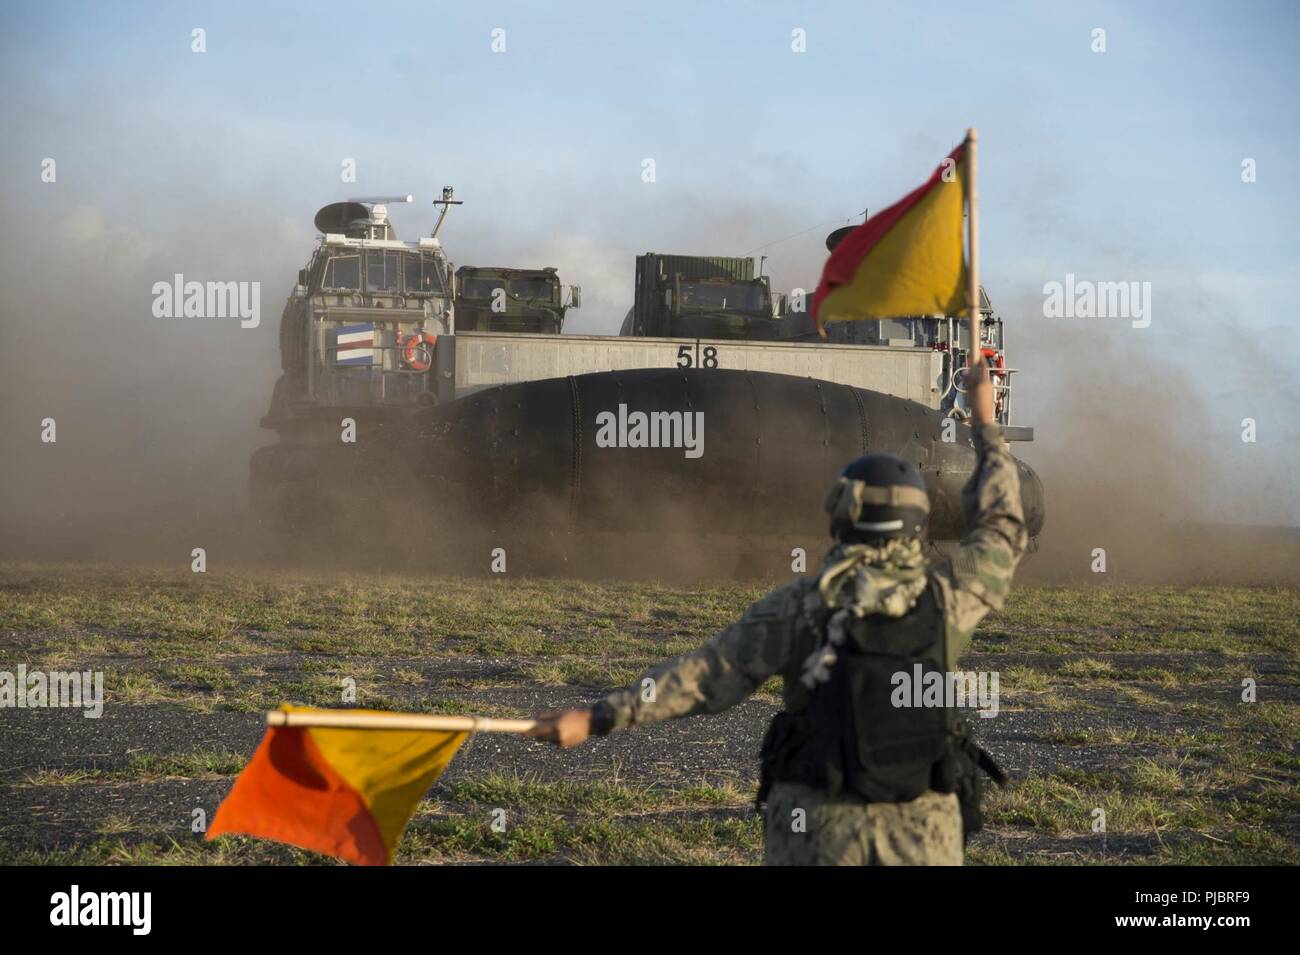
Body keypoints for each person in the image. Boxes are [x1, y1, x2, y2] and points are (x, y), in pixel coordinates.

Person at [527, 351, 1028, 864]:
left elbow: (705, 677)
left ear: (840, 518)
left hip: (820, 829)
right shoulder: (948, 601)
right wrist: (986, 424)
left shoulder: (801, 606)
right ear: (918, 520)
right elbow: (1002, 530)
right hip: (924, 834)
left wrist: (596, 717)